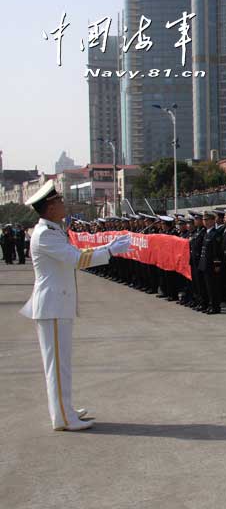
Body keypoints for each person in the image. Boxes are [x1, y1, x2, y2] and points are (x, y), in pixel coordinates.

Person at [18, 180, 133, 431]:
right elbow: (76, 259)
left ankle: (65, 409)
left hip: (57, 305)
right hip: (52, 306)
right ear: (48, 208)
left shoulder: (53, 230)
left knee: (62, 364)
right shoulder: (45, 234)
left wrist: (107, 247)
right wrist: (111, 251)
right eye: (58, 201)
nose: (62, 204)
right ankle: (62, 417)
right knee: (57, 366)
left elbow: (77, 253)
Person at [199, 211, 224, 314]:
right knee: (206, 287)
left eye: (207, 220)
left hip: (211, 264)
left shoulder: (215, 234)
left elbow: (217, 251)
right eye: (204, 220)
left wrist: (217, 264)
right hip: (204, 263)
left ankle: (215, 307)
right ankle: (209, 305)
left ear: (213, 221)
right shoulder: (206, 233)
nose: (205, 222)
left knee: (213, 287)